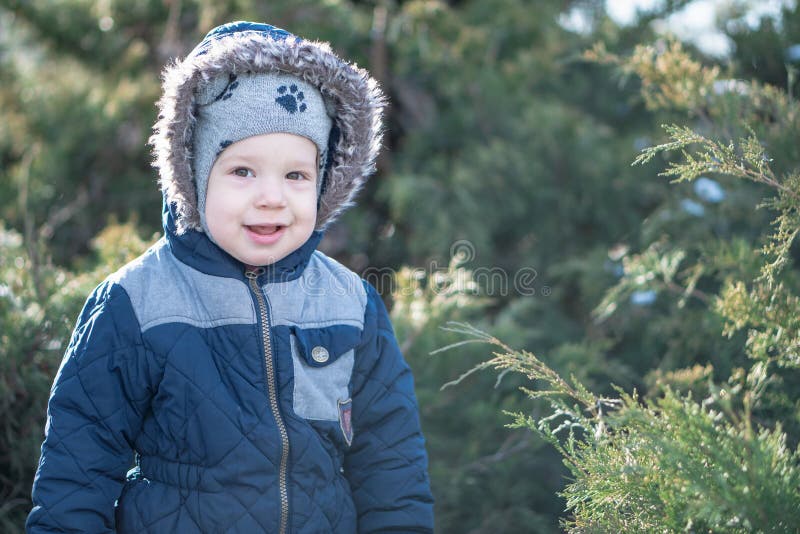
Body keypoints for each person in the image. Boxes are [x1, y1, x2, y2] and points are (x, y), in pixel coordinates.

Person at [27, 21, 434, 533]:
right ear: (194, 175)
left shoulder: (351, 305)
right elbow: (77, 471)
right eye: (242, 171)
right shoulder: (136, 302)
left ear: (325, 182)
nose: (271, 196)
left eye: (296, 175)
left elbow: (390, 467)